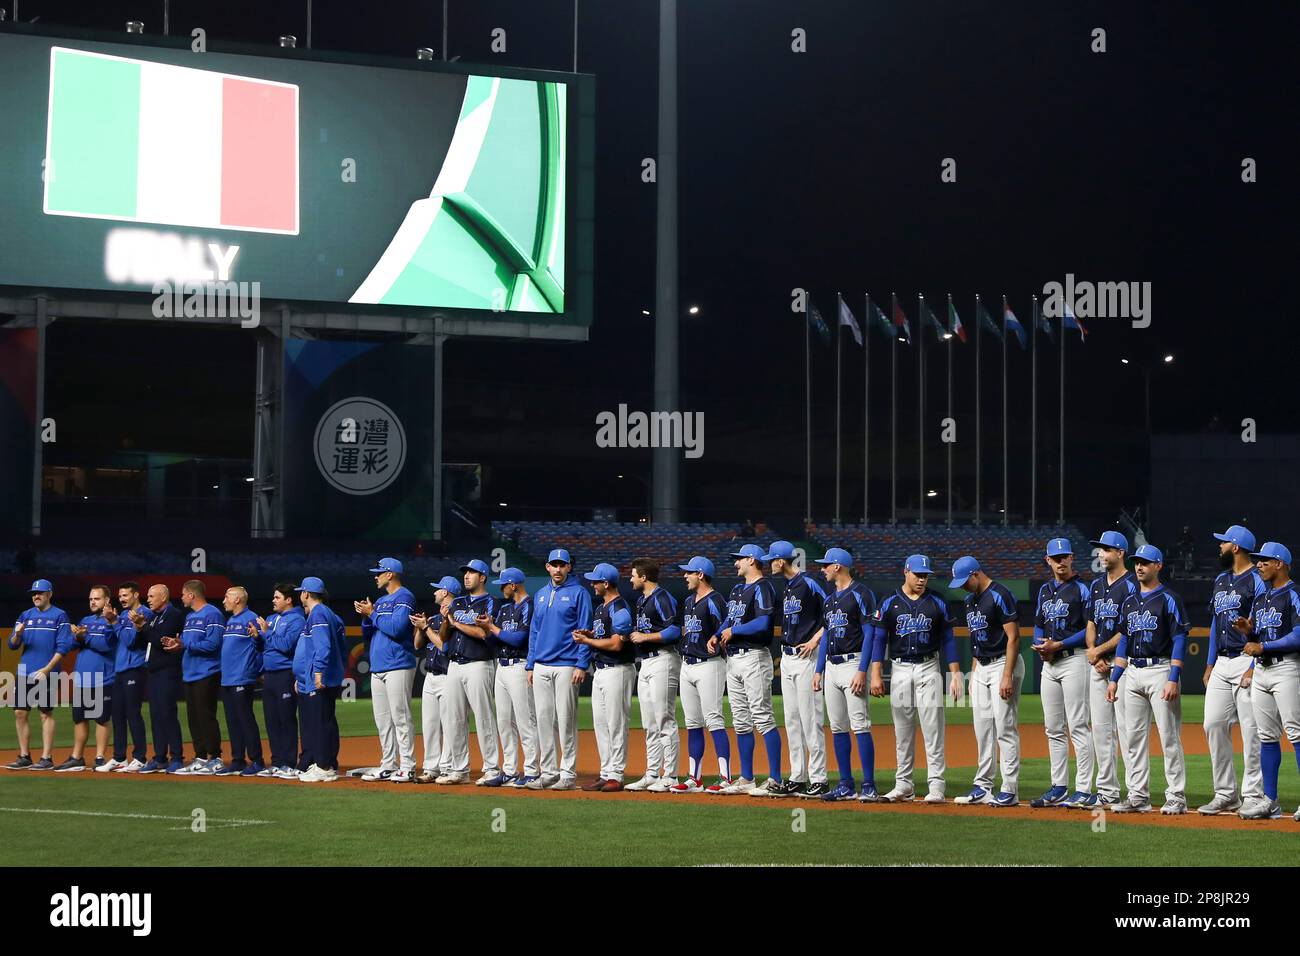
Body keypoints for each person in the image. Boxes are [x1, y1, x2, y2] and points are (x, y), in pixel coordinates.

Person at [869, 554, 963, 803]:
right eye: (918, 574)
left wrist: (955, 674)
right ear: (906, 572)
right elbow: (879, 639)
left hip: (929, 667)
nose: (922, 579)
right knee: (903, 732)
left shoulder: (937, 601)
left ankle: (936, 786)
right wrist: (876, 673)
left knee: (933, 730)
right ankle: (904, 785)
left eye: (925, 575)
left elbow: (949, 640)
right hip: (899, 669)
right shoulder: (889, 601)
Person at [1106, 544, 1189, 814]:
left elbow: (1179, 638)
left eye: (1145, 562)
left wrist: (1173, 677)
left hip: (1160, 670)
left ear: (1158, 566)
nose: (1139, 567)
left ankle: (1176, 796)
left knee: (1168, 736)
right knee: (1133, 738)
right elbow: (1124, 641)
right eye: (1137, 562)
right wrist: (1115, 677)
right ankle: (1138, 796)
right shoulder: (1129, 601)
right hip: (1132, 671)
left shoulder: (1169, 598)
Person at [1199, 524, 1266, 815]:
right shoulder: (1220, 579)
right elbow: (1216, 623)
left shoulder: (1257, 580)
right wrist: (1210, 662)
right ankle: (1226, 794)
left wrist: (1253, 665)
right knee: (1212, 724)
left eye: (1224, 542)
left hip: (1245, 659)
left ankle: (1253, 794)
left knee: (1252, 730)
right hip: (1223, 662)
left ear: (1236, 547)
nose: (1220, 547)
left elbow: (1265, 623)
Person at [1028, 538, 1095, 809]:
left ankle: (1084, 789)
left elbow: (1090, 629)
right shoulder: (1044, 590)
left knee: (1078, 725)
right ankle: (1059, 787)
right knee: (1053, 728)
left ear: (1071, 558)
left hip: (1074, 661)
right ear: (1048, 560)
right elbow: (1037, 625)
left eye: (1064, 556)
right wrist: (1041, 646)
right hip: (1050, 664)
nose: (1060, 561)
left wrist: (1061, 645)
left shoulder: (1082, 589)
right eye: (1055, 557)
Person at [951, 556, 1023, 807]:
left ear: (976, 574)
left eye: (964, 581)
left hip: (1003, 663)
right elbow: (976, 640)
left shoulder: (1000, 594)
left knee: (1005, 727)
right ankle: (983, 785)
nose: (962, 586)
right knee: (982, 729)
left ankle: (1010, 789)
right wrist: (973, 674)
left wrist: (1007, 675)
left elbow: (1013, 638)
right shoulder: (969, 601)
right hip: (981, 667)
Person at [712, 544, 782, 796]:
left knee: (762, 717)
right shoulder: (737, 589)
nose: (735, 563)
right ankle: (747, 778)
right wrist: (718, 633)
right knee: (741, 722)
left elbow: (764, 623)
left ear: (751, 560)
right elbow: (731, 619)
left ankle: (775, 779)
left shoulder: (763, 587)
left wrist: (733, 631)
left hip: (754, 657)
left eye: (739, 559)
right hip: (734, 659)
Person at [1237, 542, 1300, 820]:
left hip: (1287, 669)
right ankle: (1270, 801)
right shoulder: (1262, 598)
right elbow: (1258, 642)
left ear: (1281, 564)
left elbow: (1298, 636)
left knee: (1297, 734)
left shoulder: (1294, 594)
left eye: (1264, 560)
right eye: (1258, 560)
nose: (1259, 564)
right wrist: (1250, 634)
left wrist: (1262, 647)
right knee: (1266, 737)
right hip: (1262, 670)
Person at [811, 548, 879, 802]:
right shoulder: (829, 600)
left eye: (826, 565)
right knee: (838, 727)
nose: (823, 569)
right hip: (831, 666)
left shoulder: (861, 594)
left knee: (860, 725)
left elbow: (870, 633)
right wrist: (819, 670)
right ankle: (846, 784)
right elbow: (827, 634)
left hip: (852, 663)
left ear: (838, 566)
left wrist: (863, 670)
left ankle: (869, 785)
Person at [526, 548, 593, 791]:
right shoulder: (541, 594)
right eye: (554, 565)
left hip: (566, 664)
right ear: (547, 567)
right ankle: (549, 772)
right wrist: (531, 664)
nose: (557, 569)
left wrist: (581, 663)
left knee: (566, 721)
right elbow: (534, 631)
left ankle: (568, 773)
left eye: (562, 565)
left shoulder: (579, 593)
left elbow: (585, 629)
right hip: (542, 664)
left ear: (569, 567)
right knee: (544, 721)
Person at [766, 540, 829, 797]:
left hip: (806, 658)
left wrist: (815, 639)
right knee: (792, 720)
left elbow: (832, 613)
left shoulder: (810, 584)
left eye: (771, 559)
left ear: (781, 561)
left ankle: (820, 779)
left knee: (810, 719)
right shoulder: (788, 587)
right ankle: (797, 777)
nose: (769, 563)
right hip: (789, 656)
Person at [1083, 531, 1138, 808]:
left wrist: (1100, 652)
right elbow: (1091, 622)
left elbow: (1127, 629)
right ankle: (1107, 791)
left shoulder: (1132, 584)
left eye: (1106, 549)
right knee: (1101, 730)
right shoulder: (1095, 585)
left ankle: (1135, 792)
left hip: (1124, 664)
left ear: (1120, 553)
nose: (1101, 554)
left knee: (1127, 730)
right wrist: (1094, 654)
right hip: (1099, 664)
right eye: (1100, 550)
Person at [669, 557, 734, 793]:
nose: (685, 576)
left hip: (709, 665)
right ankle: (694, 779)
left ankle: (725, 778)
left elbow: (729, 620)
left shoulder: (715, 599)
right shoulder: (688, 601)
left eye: (688, 573)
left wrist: (717, 635)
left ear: (701, 574)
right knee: (693, 722)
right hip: (687, 664)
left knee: (714, 719)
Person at [437, 558, 502, 785]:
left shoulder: (491, 603)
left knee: (484, 718)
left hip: (479, 664)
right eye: (465, 572)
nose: (466, 576)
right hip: (454, 664)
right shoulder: (457, 603)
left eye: (472, 573)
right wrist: (447, 621)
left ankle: (492, 768)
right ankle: (460, 769)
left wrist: (456, 624)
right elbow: (444, 637)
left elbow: (484, 634)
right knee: (453, 719)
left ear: (482, 577)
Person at [574, 563, 636, 791]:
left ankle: (617, 775)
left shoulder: (619, 607)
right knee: (601, 724)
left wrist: (587, 641)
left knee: (616, 724)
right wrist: (590, 634)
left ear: (606, 583)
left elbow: (617, 643)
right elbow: (605, 635)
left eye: (596, 581)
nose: (592, 584)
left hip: (617, 670)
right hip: (601, 671)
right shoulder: (602, 607)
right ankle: (606, 771)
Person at [357, 557, 418, 783]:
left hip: (398, 664)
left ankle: (408, 766)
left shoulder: (405, 597)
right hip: (379, 665)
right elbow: (369, 635)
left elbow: (397, 628)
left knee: (401, 717)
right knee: (382, 720)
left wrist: (372, 613)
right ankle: (389, 764)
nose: (376, 576)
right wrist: (366, 617)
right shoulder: (381, 601)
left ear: (390, 574)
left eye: (379, 572)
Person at [625, 557, 682, 793]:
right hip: (647, 663)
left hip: (664, 658)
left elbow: (674, 630)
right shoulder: (641, 600)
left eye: (633, 574)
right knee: (649, 722)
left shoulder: (662, 597)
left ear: (644, 576)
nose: (630, 578)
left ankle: (670, 775)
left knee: (664, 719)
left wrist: (646, 637)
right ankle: (651, 773)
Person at [479, 567, 539, 787]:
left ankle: (532, 770)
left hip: (519, 666)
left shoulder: (529, 606)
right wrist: (486, 631)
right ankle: (510, 770)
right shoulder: (505, 609)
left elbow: (519, 639)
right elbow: (495, 641)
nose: (501, 589)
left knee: (526, 721)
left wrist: (492, 628)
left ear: (513, 585)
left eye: (503, 585)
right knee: (504, 722)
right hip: (501, 668)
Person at [5, 579, 73, 771]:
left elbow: (63, 647)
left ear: (49, 594)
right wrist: (17, 634)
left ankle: (46, 758)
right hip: (24, 670)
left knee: (45, 713)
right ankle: (24, 756)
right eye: (34, 593)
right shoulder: (25, 615)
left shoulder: (60, 615)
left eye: (40, 593)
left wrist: (47, 669)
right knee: (19, 712)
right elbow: (12, 645)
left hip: (47, 672)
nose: (36, 596)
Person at [55, 586, 118, 771]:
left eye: (97, 598)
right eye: (91, 598)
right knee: (80, 719)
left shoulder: (113, 621)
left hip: (102, 678)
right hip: (82, 678)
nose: (92, 602)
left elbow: (107, 646)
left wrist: (85, 636)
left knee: (101, 719)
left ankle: (99, 757)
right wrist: (75, 636)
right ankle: (77, 757)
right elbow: (74, 645)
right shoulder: (86, 620)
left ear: (107, 600)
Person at [169, 579, 225, 775]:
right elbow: (187, 642)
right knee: (193, 718)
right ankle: (201, 758)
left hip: (207, 672)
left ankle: (215, 758)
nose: (181, 597)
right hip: (190, 673)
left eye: (183, 593)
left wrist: (186, 645)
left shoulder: (213, 614)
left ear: (192, 595)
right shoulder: (191, 616)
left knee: (206, 716)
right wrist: (177, 643)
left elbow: (214, 644)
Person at [253, 583, 306, 779]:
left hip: (286, 673)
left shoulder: (297, 620)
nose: (273, 601)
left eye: (277, 597)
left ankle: (289, 763)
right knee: (272, 720)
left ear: (288, 599)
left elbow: (285, 646)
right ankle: (276, 763)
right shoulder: (271, 619)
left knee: (286, 719)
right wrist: (258, 637)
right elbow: (265, 648)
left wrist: (266, 632)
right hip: (269, 674)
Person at [411, 576, 460, 784]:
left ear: (446, 593)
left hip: (449, 676)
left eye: (437, 589)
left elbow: (442, 645)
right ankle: (431, 768)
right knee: (430, 724)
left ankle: (448, 767)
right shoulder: (432, 619)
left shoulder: (456, 616)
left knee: (450, 724)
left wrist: (427, 628)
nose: (434, 593)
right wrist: (421, 626)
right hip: (430, 676)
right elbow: (416, 645)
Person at [297, 578, 347, 783]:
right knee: (326, 721)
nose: (300, 595)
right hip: (330, 674)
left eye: (301, 592)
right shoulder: (330, 614)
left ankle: (323, 766)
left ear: (306, 594)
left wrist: (318, 672)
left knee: (321, 722)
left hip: (322, 677)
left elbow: (323, 646)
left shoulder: (317, 613)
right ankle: (327, 764)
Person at [99, 581, 151, 772]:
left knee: (132, 713)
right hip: (120, 669)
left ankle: (140, 757)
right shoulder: (121, 615)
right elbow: (110, 641)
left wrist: (114, 622)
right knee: (117, 714)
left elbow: (129, 642)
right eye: (120, 596)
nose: (121, 598)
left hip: (135, 668)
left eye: (125, 595)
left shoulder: (144, 613)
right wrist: (108, 621)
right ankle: (119, 757)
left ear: (136, 595)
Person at [133, 584, 185, 773]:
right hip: (153, 672)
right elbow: (143, 641)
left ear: (164, 597)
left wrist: (144, 626)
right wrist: (139, 628)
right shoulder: (154, 617)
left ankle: (177, 757)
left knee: (168, 714)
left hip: (167, 671)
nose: (148, 599)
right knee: (156, 716)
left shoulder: (173, 615)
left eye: (152, 596)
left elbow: (160, 640)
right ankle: (160, 757)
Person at [216, 587, 265, 775]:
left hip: (242, 677)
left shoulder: (251, 618)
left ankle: (257, 760)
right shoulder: (231, 621)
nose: (223, 601)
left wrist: (259, 671)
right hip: (227, 679)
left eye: (226, 597)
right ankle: (237, 759)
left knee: (245, 720)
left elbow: (261, 646)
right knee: (232, 721)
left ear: (237, 600)